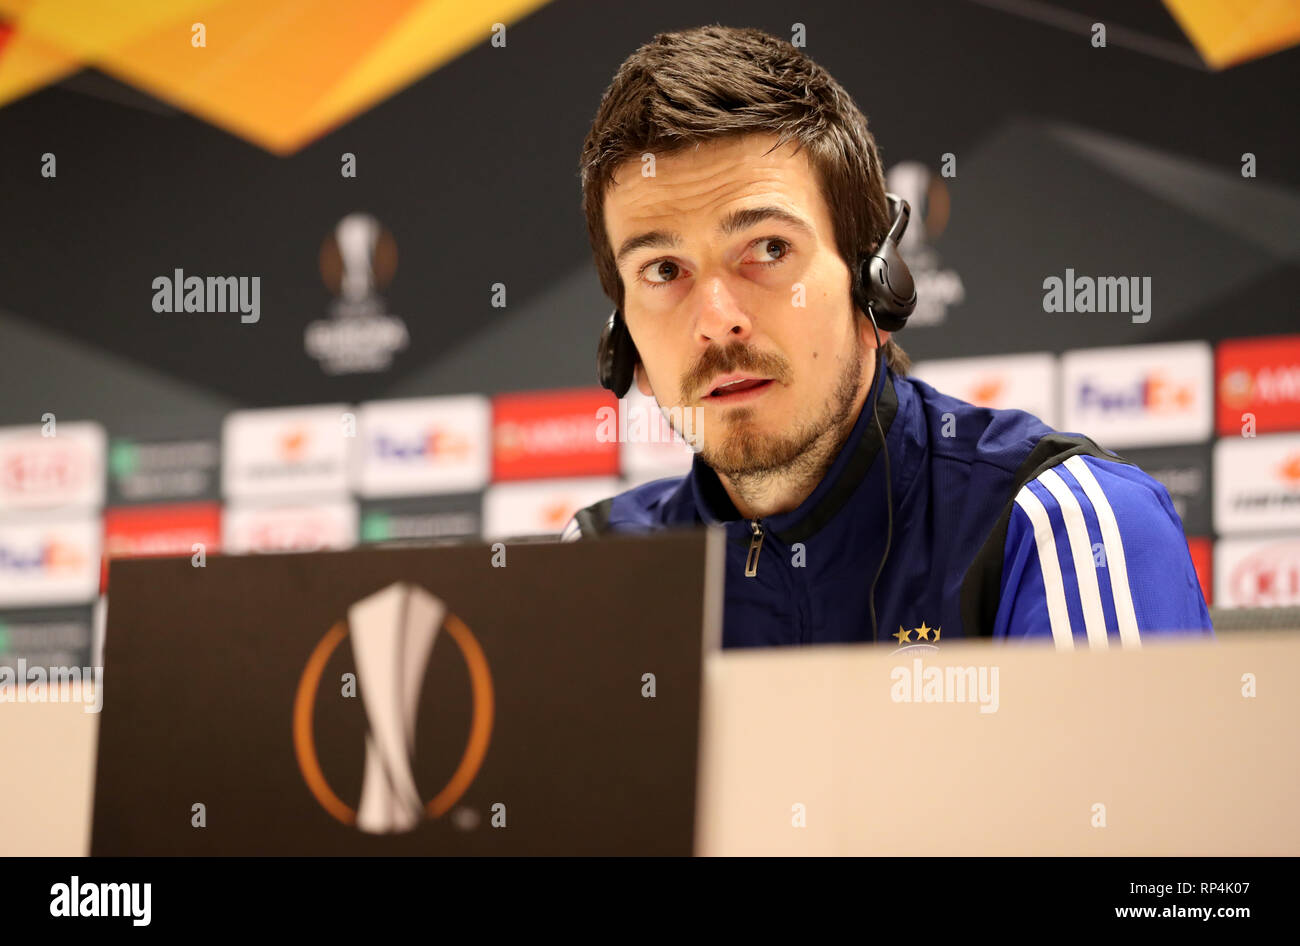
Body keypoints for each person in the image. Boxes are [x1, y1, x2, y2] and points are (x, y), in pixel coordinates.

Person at [563, 25, 1212, 649]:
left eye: (767, 248)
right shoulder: (593, 570)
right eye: (663, 270)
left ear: (875, 283)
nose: (716, 319)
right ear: (625, 346)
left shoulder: (1063, 528)